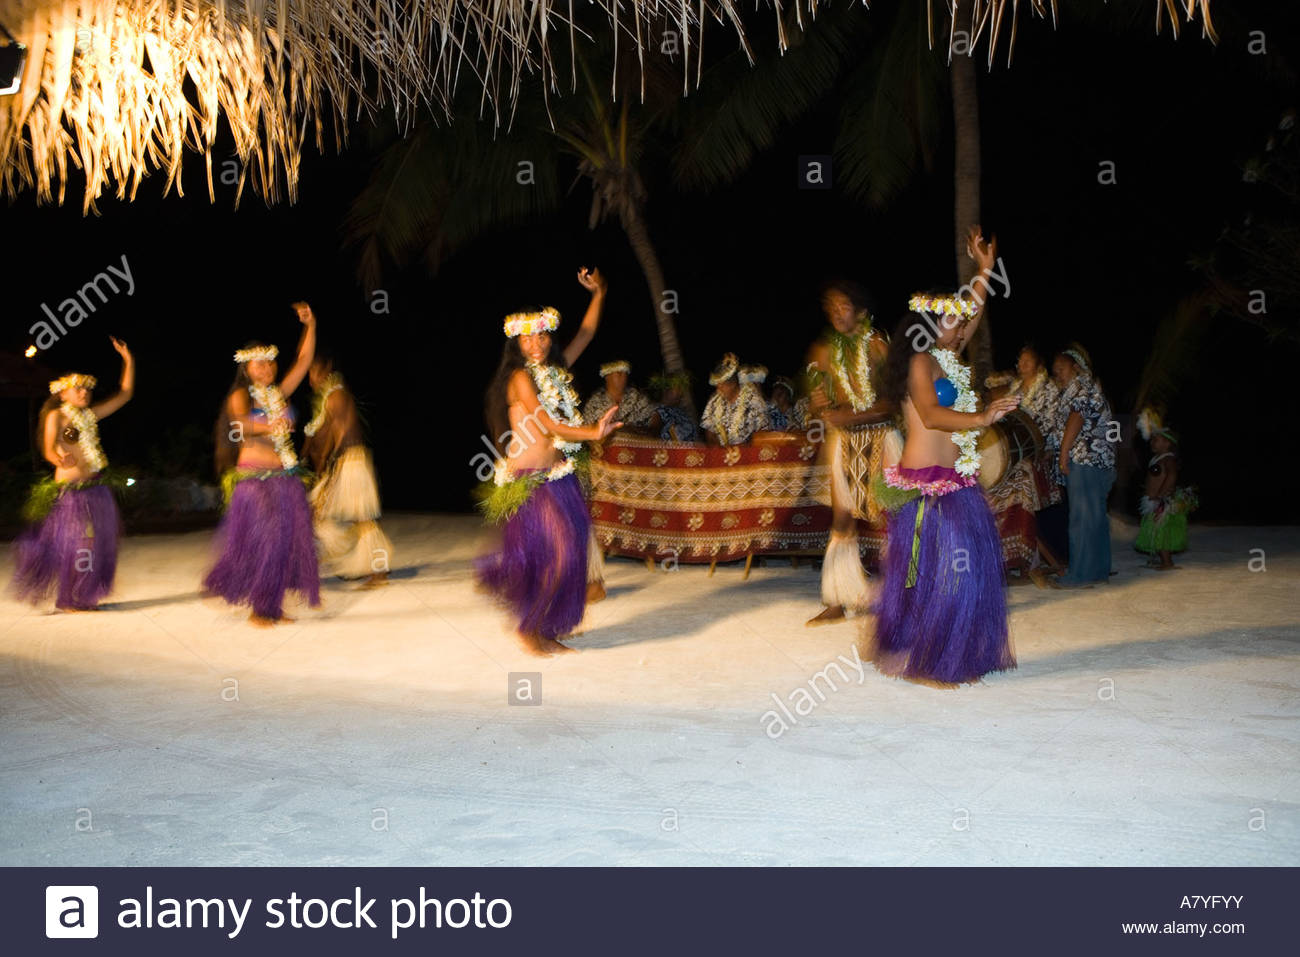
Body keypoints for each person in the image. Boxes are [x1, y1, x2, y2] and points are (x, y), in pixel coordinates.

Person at [865, 226, 1020, 685]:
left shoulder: (947, 357)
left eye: (960, 320)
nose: (962, 325)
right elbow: (932, 416)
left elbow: (973, 310)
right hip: (923, 483)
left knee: (968, 570)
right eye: (952, 320)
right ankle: (932, 657)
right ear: (931, 323)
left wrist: (985, 269)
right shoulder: (920, 361)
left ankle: (955, 651)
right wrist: (983, 417)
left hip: (957, 480)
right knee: (936, 575)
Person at [476, 267, 622, 656]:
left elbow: (587, 334)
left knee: (570, 553)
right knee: (553, 555)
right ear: (516, 343)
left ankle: (545, 626)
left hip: (558, 477)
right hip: (530, 482)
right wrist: (593, 433)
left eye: (541, 334)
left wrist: (599, 293)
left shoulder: (554, 374)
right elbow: (547, 423)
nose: (536, 343)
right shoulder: (520, 380)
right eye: (527, 337)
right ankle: (530, 629)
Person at [204, 302, 319, 625]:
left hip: (284, 478)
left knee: (283, 541)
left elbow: (304, 360)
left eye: (270, 363)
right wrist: (272, 425)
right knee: (265, 539)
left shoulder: (279, 394)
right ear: (247, 367)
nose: (267, 369)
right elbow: (240, 422)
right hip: (254, 479)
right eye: (259, 364)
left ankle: (272, 604)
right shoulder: (242, 396)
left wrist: (310, 326)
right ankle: (259, 608)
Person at [13, 338, 134, 610]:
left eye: (87, 390)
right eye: (77, 389)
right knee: (78, 544)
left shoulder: (90, 415)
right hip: (71, 491)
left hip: (96, 486)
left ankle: (83, 593)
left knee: (95, 543)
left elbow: (125, 394)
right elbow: (47, 447)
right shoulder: (58, 416)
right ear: (62, 394)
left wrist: (128, 361)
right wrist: (56, 456)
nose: (84, 393)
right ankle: (68, 597)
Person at [804, 280, 894, 626]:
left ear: (860, 310)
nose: (836, 313)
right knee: (842, 521)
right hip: (844, 442)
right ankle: (838, 598)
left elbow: (891, 404)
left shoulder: (878, 346)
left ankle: (904, 595)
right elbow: (822, 402)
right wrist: (819, 405)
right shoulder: (825, 353)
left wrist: (851, 415)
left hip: (880, 439)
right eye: (831, 308)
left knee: (892, 517)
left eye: (843, 306)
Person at [302, 357, 393, 587]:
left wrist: (328, 464)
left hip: (351, 461)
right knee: (320, 511)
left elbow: (340, 434)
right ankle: (353, 560)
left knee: (362, 518)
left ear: (325, 370)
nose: (310, 378)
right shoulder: (331, 398)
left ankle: (378, 572)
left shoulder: (336, 396)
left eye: (313, 372)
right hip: (345, 461)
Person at [1051, 343, 1117, 586]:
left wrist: (1063, 453)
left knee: (1082, 518)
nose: (1057, 372)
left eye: (1061, 367)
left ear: (1076, 366)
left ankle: (1081, 574)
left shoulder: (1082, 385)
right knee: (1095, 517)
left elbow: (1077, 417)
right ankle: (1097, 571)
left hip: (1085, 458)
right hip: (1093, 460)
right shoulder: (1081, 387)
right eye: (1054, 369)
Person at [1135, 408, 1197, 570]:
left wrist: (1161, 495)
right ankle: (1160, 559)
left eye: (1156, 440)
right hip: (1152, 499)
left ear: (1167, 443)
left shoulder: (1168, 459)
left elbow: (1172, 476)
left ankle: (1167, 562)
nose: (1152, 442)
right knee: (1155, 531)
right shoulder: (1157, 458)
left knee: (1162, 532)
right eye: (1152, 439)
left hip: (1161, 501)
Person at [700, 353, 768, 446]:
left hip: (747, 456)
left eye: (721, 385)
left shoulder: (754, 401)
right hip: (720, 456)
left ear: (733, 384)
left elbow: (763, 435)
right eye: (717, 385)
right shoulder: (714, 401)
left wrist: (740, 449)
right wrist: (720, 451)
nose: (718, 389)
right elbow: (709, 433)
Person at [583, 361, 658, 432]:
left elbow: (654, 418)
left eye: (625, 373)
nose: (622, 376)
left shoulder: (638, 397)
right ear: (607, 376)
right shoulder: (594, 403)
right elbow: (588, 431)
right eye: (618, 373)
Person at [648, 371, 699, 442]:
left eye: (682, 389)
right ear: (666, 391)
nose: (681, 393)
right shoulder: (659, 412)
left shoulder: (680, 412)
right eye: (678, 389)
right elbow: (652, 435)